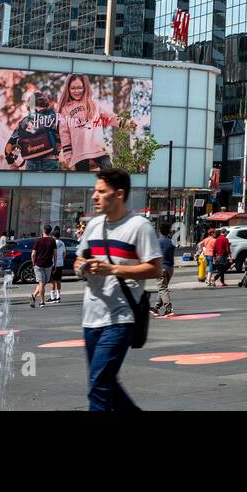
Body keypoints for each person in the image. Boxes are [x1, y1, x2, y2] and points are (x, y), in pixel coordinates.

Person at [74, 168, 162, 411]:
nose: (94, 196)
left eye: (102, 192)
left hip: (120, 317)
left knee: (99, 386)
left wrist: (112, 270)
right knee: (106, 384)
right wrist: (84, 267)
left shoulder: (138, 226)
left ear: (119, 194)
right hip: (91, 317)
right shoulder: (93, 226)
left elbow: (156, 269)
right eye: (95, 191)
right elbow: (78, 261)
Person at [56, 74, 119, 171]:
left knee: (110, 175)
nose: (76, 91)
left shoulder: (93, 104)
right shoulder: (65, 110)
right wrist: (68, 154)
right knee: (83, 183)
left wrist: (125, 122)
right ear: (68, 89)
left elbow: (110, 117)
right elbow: (64, 133)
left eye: (79, 87)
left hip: (98, 150)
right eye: (73, 88)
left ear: (85, 88)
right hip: (80, 153)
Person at [153, 221, 176, 317]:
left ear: (160, 231)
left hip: (161, 267)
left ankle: (168, 309)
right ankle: (156, 307)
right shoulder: (172, 242)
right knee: (163, 288)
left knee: (162, 288)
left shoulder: (158, 242)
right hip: (170, 268)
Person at [31, 224, 55, 308]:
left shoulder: (38, 240)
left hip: (38, 264)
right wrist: (54, 263)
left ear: (43, 231)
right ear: (50, 231)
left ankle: (36, 297)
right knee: (43, 283)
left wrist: (33, 262)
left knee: (41, 283)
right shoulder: (52, 241)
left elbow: (33, 254)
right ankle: (41, 300)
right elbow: (55, 254)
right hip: (48, 264)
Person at [50, 226, 65, 303]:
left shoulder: (52, 243)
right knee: (58, 280)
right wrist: (61, 260)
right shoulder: (62, 243)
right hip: (60, 263)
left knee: (52, 281)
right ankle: (58, 296)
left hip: (53, 264)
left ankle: (52, 297)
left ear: (53, 236)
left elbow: (51, 253)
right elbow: (64, 253)